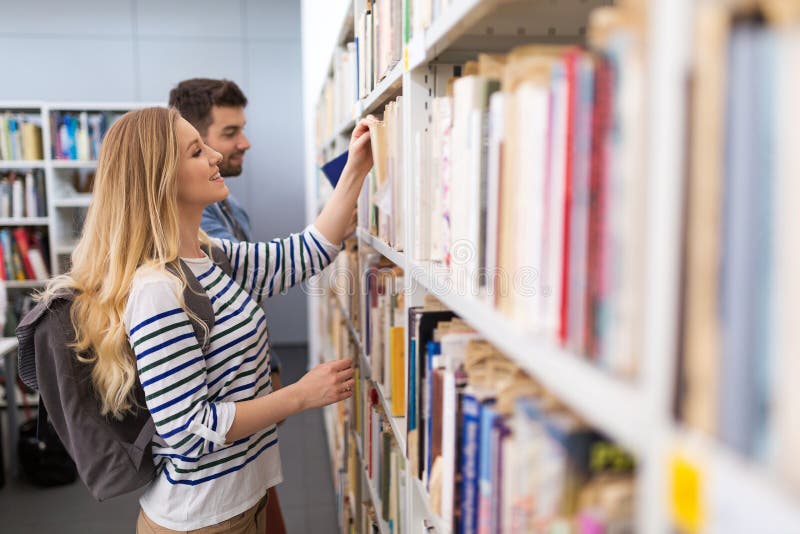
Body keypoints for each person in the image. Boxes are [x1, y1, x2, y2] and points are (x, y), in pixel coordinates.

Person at [40, 106, 374, 533]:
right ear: (161, 179)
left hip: (242, 499)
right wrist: (299, 396)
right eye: (197, 151)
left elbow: (302, 253)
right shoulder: (158, 289)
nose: (215, 156)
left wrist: (356, 167)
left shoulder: (210, 256)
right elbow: (189, 429)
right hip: (202, 518)